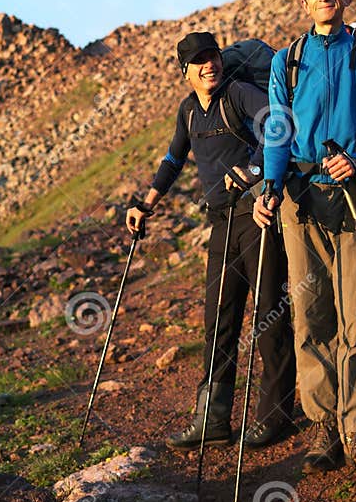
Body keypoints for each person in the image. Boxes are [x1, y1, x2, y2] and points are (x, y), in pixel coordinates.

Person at [253, 0, 356, 476]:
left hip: (355, 198)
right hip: (300, 201)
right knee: (311, 316)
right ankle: (323, 425)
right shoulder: (286, 61)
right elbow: (277, 131)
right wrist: (270, 186)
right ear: (304, 2)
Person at [127, 31, 296, 451]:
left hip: (256, 215)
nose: (209, 65)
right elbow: (173, 159)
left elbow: (279, 124)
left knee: (268, 316)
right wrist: (145, 204)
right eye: (199, 61)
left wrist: (254, 171)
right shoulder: (189, 111)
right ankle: (213, 419)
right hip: (220, 223)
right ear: (185, 70)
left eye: (213, 57)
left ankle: (277, 415)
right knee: (218, 321)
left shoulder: (237, 94)